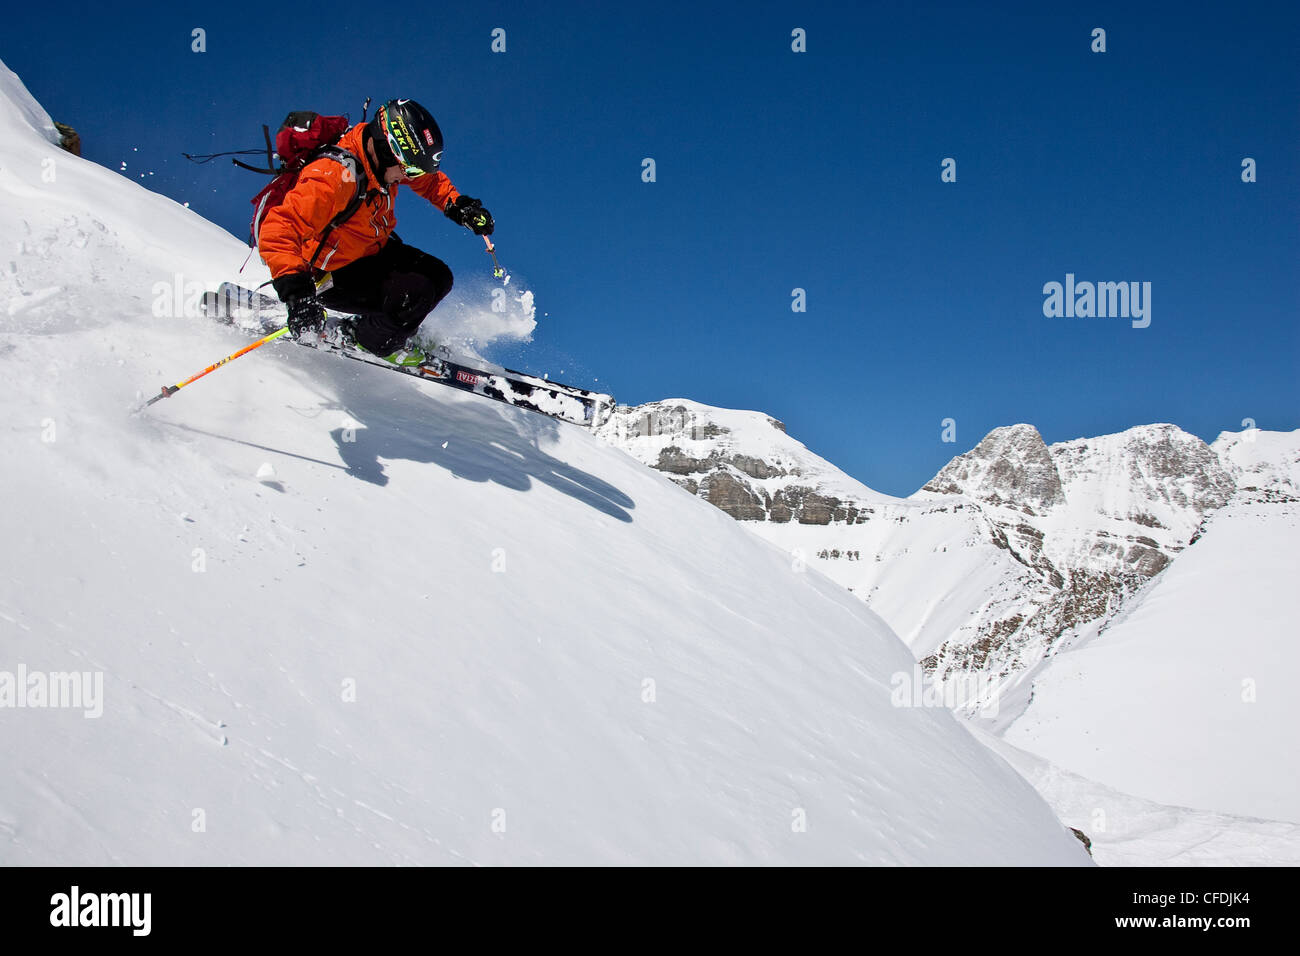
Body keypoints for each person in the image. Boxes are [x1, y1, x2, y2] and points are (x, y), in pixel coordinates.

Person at [257, 99, 494, 365]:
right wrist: (298, 295)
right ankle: (369, 341)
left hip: (367, 252)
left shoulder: (381, 162)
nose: (410, 176)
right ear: (386, 148)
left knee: (438, 276)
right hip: (329, 275)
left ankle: (388, 327)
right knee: (415, 293)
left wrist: (458, 206)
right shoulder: (333, 176)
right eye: (410, 169)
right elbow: (279, 227)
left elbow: (429, 182)